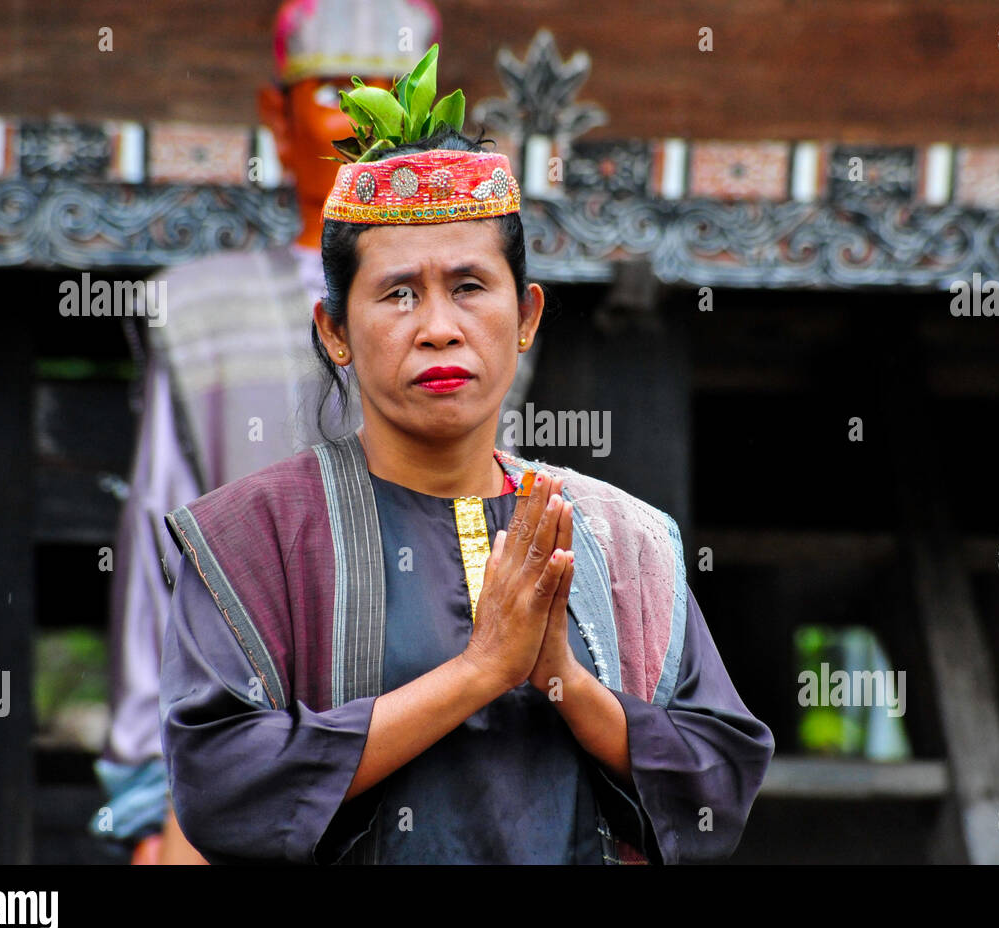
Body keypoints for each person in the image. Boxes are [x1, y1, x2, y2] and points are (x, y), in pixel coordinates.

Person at [158, 49, 774, 864]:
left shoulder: (624, 541)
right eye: (399, 292)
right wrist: (480, 672)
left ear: (526, 316)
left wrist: (562, 678)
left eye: (470, 286)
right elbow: (224, 787)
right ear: (334, 331)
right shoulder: (253, 539)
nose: (438, 325)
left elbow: (718, 783)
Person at [93, 0, 556, 864]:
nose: (358, 110)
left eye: (383, 87)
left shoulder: (472, 317)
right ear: (277, 114)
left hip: (445, 712)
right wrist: (156, 795)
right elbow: (160, 544)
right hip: (253, 732)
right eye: (332, 89)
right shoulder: (199, 308)